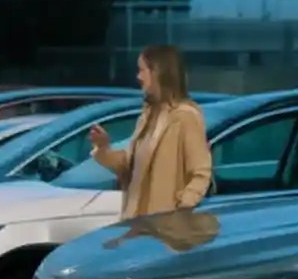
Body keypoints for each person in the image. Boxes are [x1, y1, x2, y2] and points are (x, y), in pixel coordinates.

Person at [89, 44, 212, 219]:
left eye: (142, 70)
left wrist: (182, 208)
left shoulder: (185, 117)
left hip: (165, 230)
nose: (138, 76)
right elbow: (129, 166)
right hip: (137, 223)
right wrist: (103, 148)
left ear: (158, 72)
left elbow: (201, 173)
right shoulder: (147, 115)